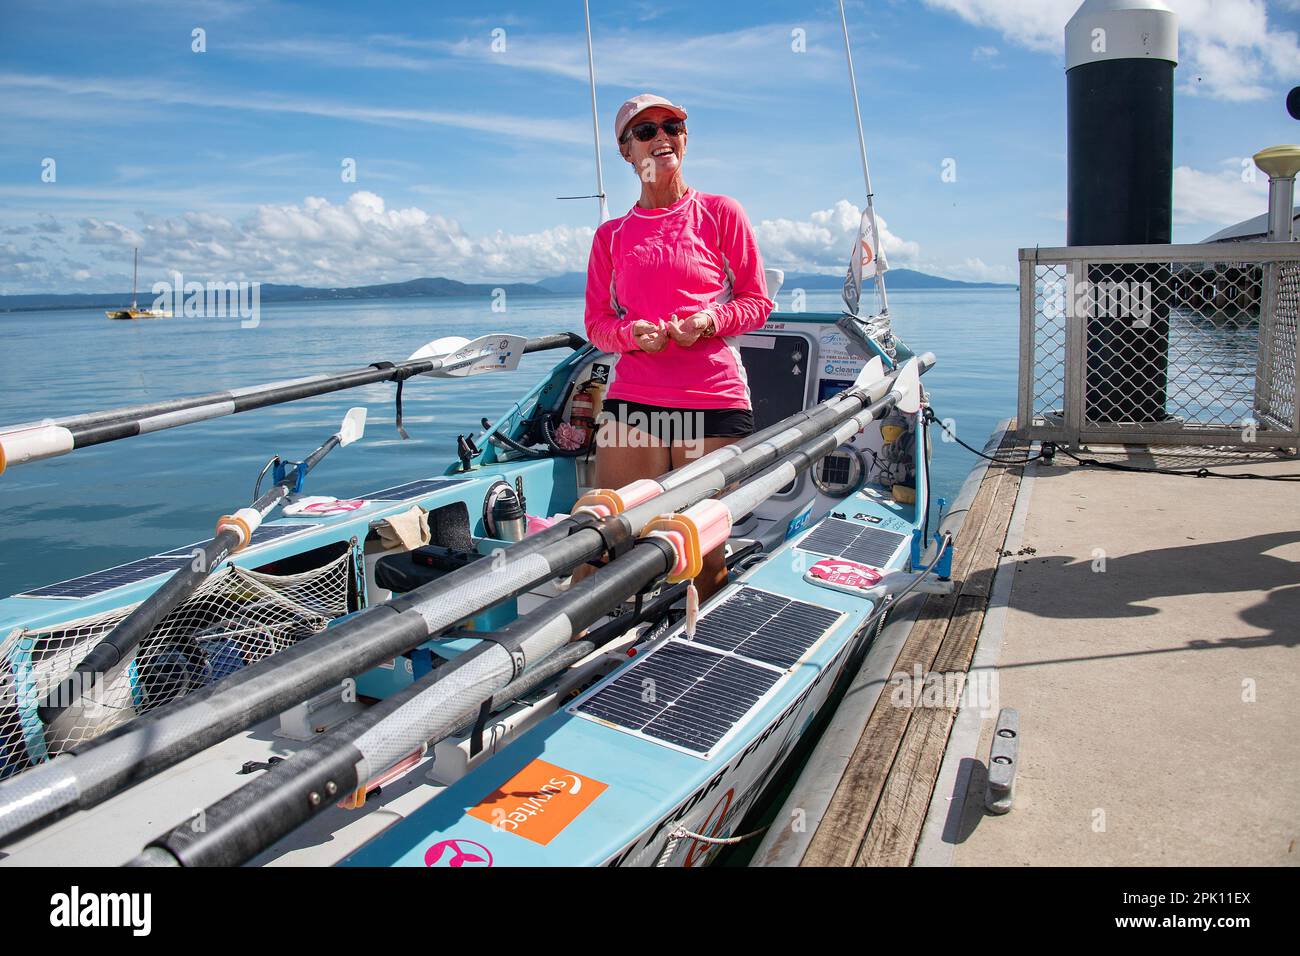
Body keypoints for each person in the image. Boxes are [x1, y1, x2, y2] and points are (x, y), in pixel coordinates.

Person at [583, 93, 775, 600]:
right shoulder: (611, 236)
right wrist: (629, 335)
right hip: (635, 402)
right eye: (645, 132)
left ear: (685, 139)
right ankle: (583, 657)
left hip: (711, 400)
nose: (662, 137)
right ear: (626, 152)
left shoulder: (720, 213)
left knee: (701, 547)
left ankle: (695, 658)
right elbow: (597, 325)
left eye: (672, 126)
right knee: (607, 537)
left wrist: (710, 320)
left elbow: (757, 303)